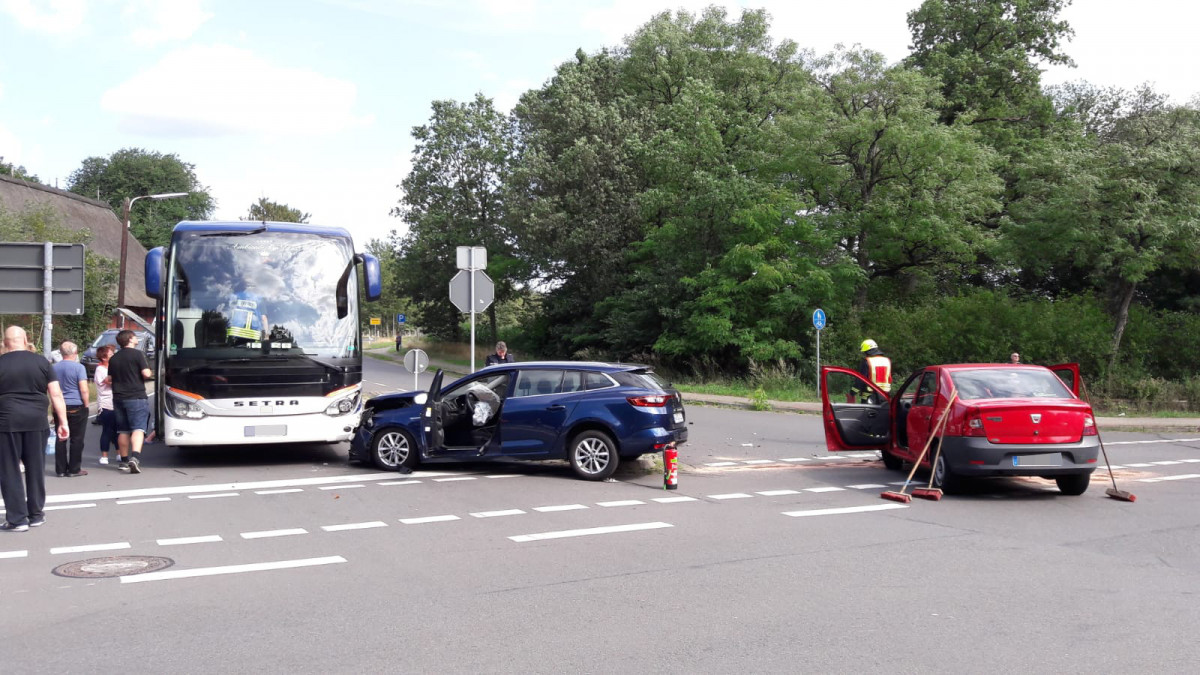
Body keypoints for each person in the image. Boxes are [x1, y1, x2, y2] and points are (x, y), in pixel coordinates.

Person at [0, 326, 70, 531]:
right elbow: (56, 394)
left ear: (5, 342)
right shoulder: (42, 362)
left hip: (7, 422)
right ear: (25, 339)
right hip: (37, 421)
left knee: (9, 470)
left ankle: (17, 519)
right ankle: (36, 515)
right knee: (35, 468)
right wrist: (63, 422)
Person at [106, 330, 153, 474]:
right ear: (131, 339)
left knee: (123, 430)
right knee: (138, 428)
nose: (136, 339)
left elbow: (109, 379)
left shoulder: (114, 358)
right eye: (134, 336)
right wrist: (150, 373)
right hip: (136, 396)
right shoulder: (137, 354)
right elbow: (146, 373)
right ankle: (135, 458)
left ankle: (124, 461)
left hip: (119, 397)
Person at [52, 341, 90, 477]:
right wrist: (86, 405)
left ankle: (61, 469)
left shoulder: (54, 368)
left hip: (59, 405)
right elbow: (84, 389)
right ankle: (74, 469)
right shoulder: (79, 368)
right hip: (76, 404)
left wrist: (53, 406)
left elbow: (51, 390)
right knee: (77, 438)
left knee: (61, 437)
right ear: (75, 353)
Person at [94, 345, 117, 465]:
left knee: (117, 430)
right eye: (111, 354)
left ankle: (119, 453)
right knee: (107, 430)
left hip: (116, 402)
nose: (113, 356)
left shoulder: (111, 367)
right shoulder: (100, 370)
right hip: (106, 403)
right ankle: (104, 455)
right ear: (104, 358)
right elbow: (107, 381)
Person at [854, 338, 892, 403]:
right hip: (885, 395)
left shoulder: (867, 361)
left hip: (869, 396)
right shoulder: (887, 361)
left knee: (867, 413)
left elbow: (861, 380)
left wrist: (853, 392)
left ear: (867, 351)